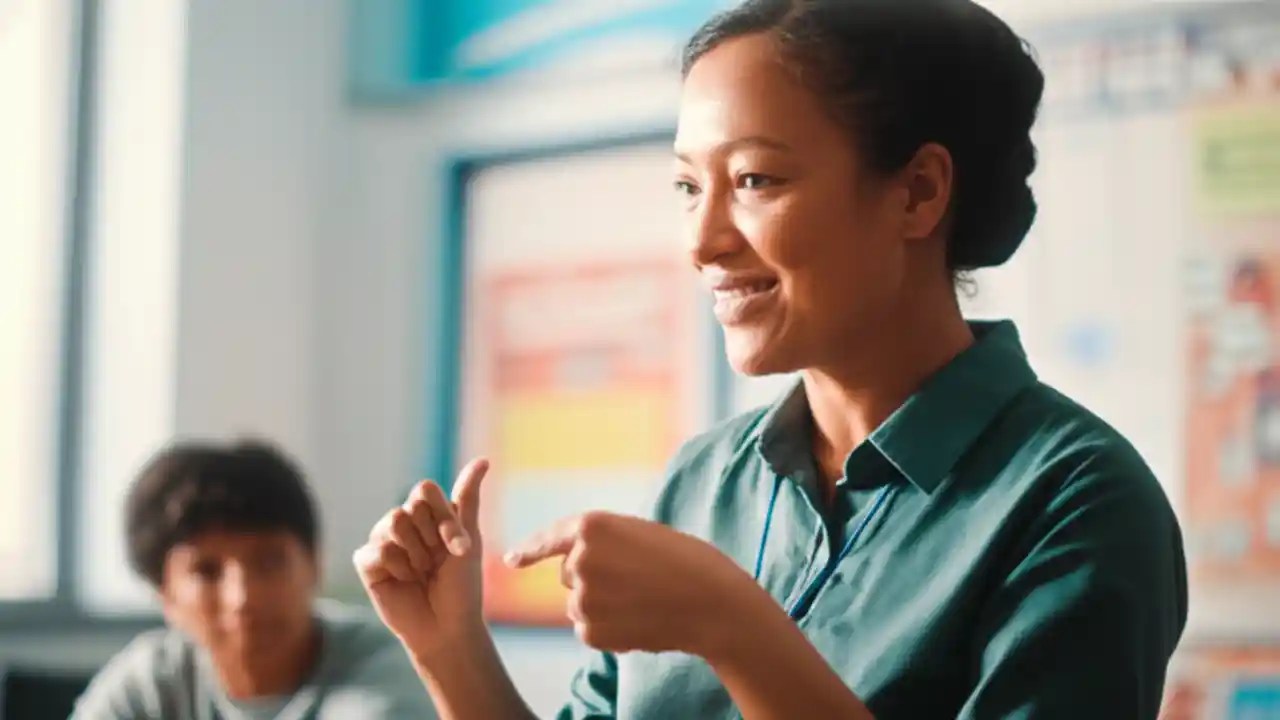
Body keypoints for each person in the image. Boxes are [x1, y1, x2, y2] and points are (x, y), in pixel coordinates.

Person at [354, 0, 1188, 718]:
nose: (704, 242)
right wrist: (449, 648)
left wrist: (733, 627)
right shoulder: (705, 479)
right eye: (689, 186)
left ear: (918, 192)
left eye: (754, 180)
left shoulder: (1078, 503)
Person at [74, 440, 437, 720]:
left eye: (269, 562)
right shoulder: (152, 681)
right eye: (207, 571)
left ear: (315, 564)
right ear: (163, 593)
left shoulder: (382, 663)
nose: (243, 596)